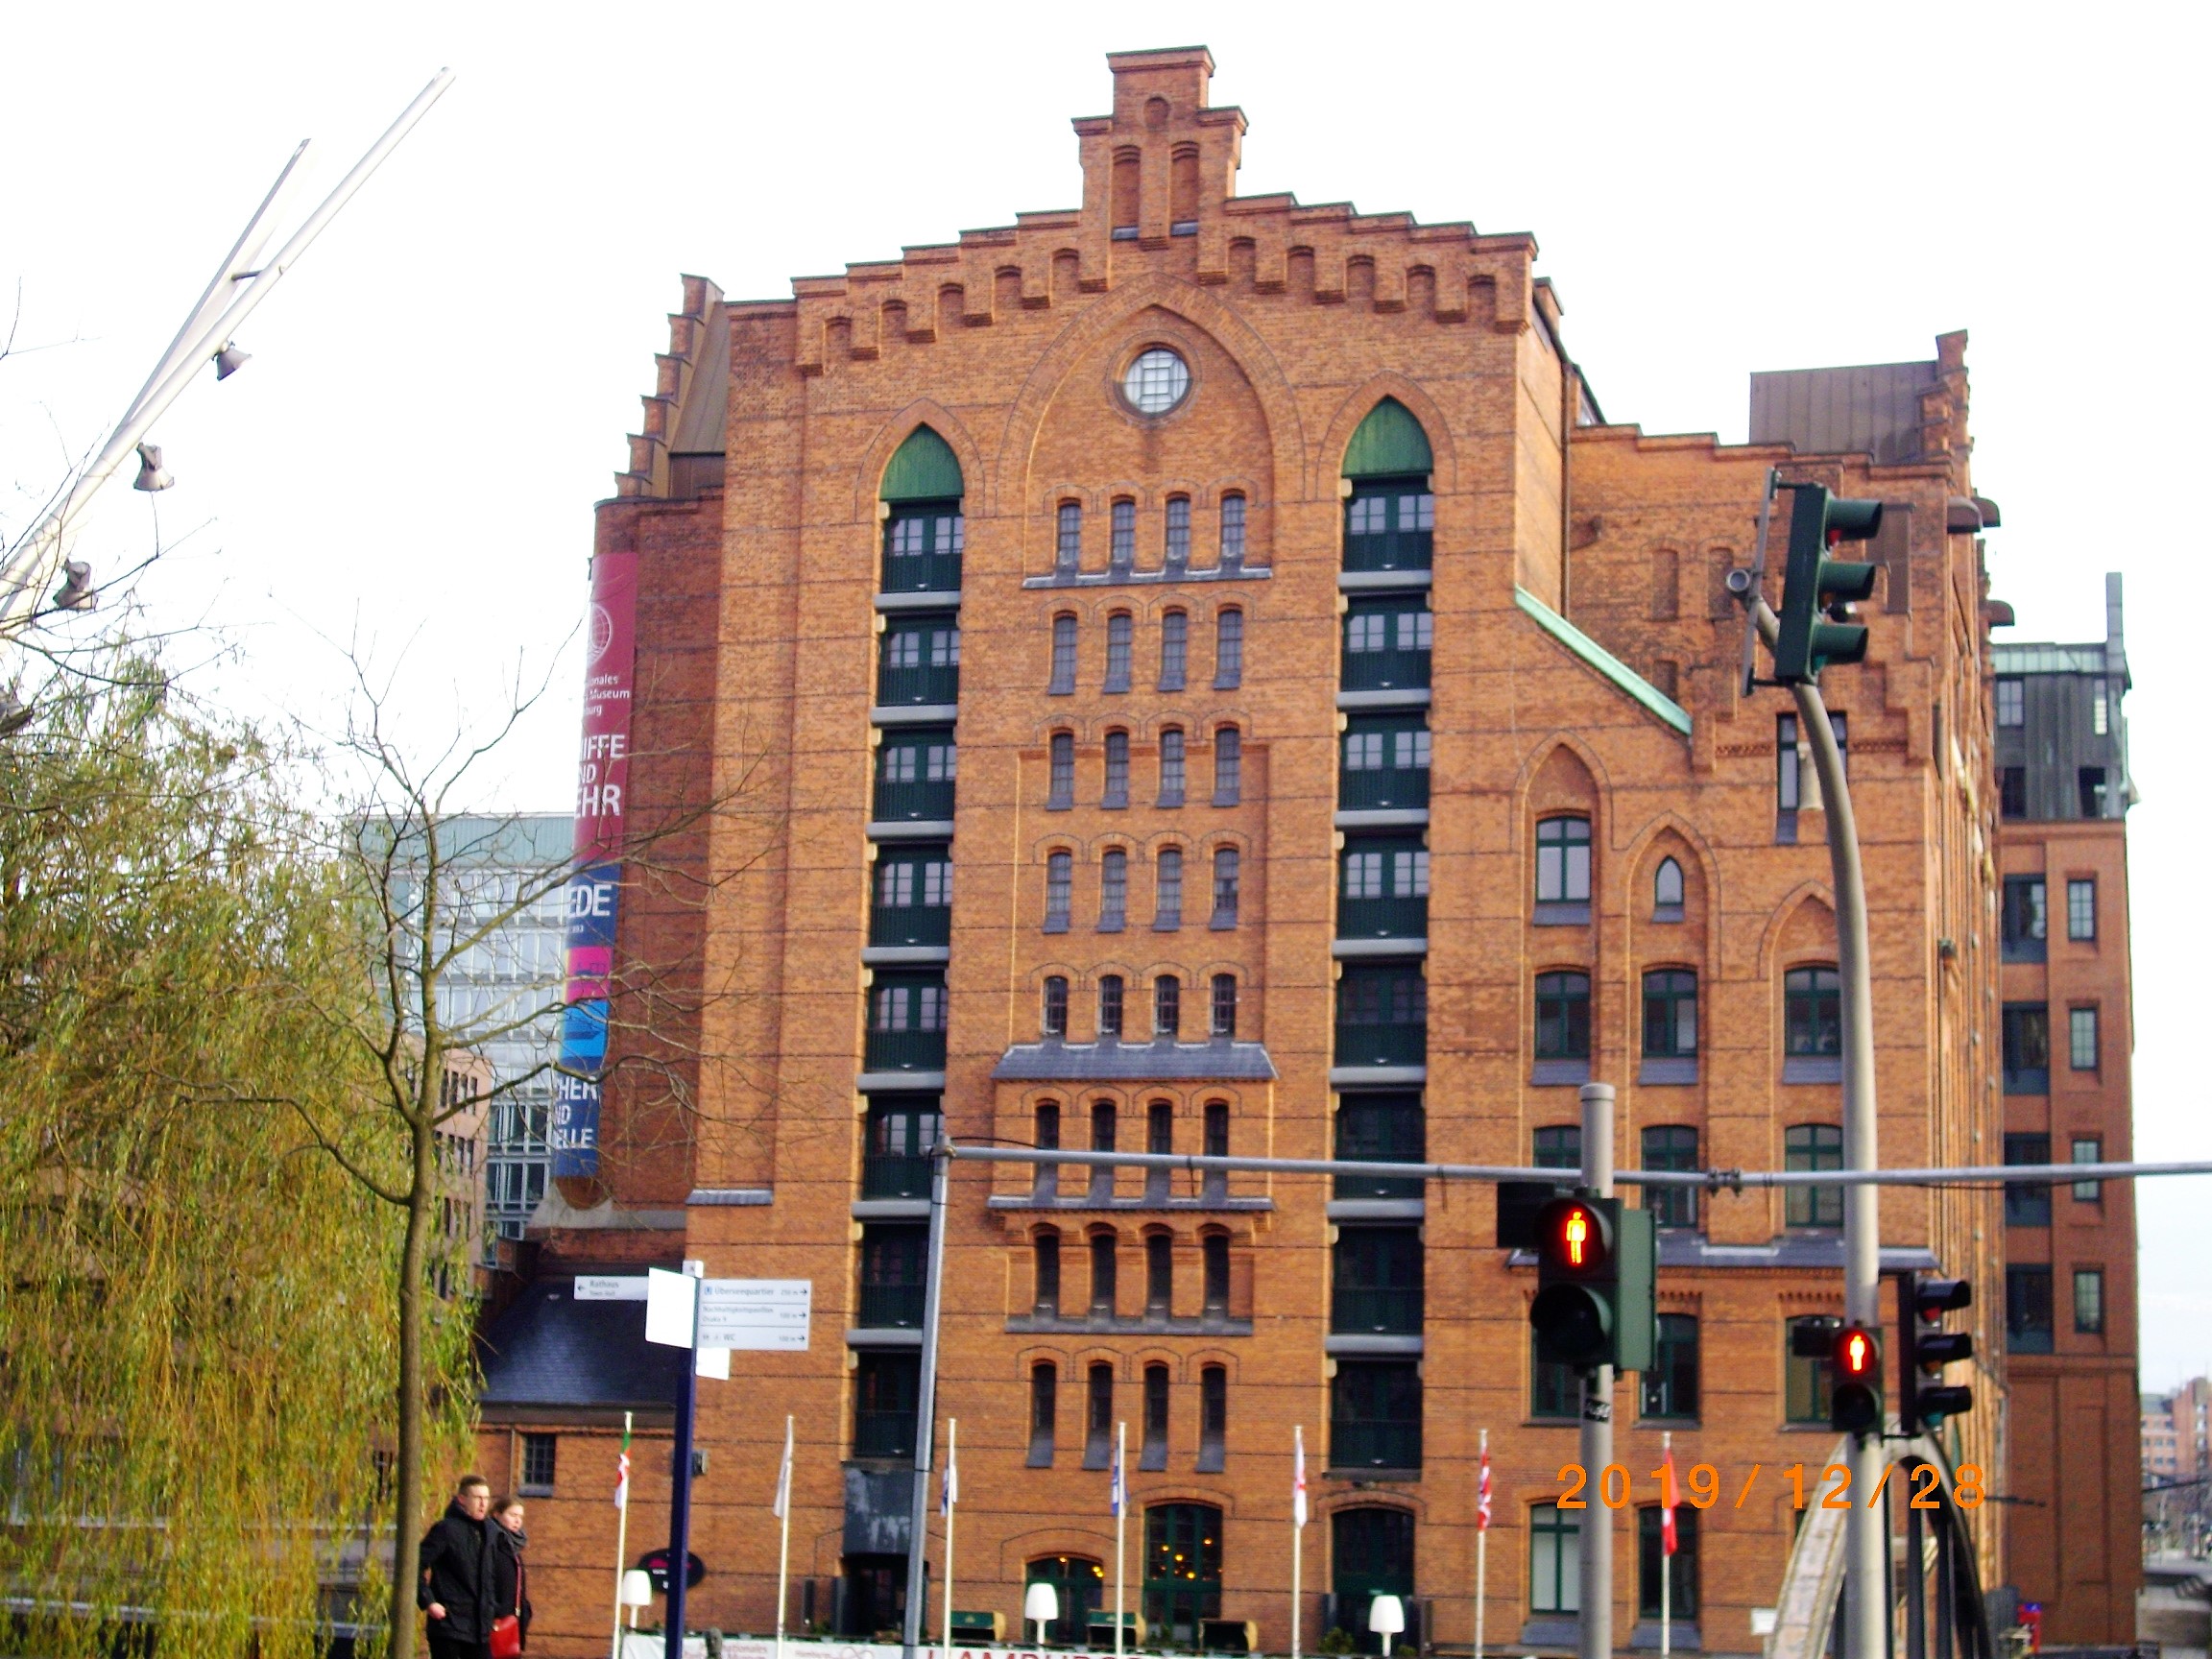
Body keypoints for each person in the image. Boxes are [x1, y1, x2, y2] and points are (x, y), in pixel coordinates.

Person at [420, 1475, 497, 1659]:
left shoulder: (490, 1531)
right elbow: (415, 1564)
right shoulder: (446, 1529)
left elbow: (492, 1575)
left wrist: (494, 1608)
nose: (482, 1504)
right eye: (477, 1498)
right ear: (462, 1499)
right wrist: (429, 1602)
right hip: (449, 1625)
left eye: (486, 1499)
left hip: (480, 1627)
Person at [491, 1496, 533, 1650]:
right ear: (497, 1515)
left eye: (520, 1517)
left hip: (514, 1622)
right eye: (512, 1515)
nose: (517, 1521)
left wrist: (525, 1612)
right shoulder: (491, 1543)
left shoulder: (514, 1548)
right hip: (495, 1621)